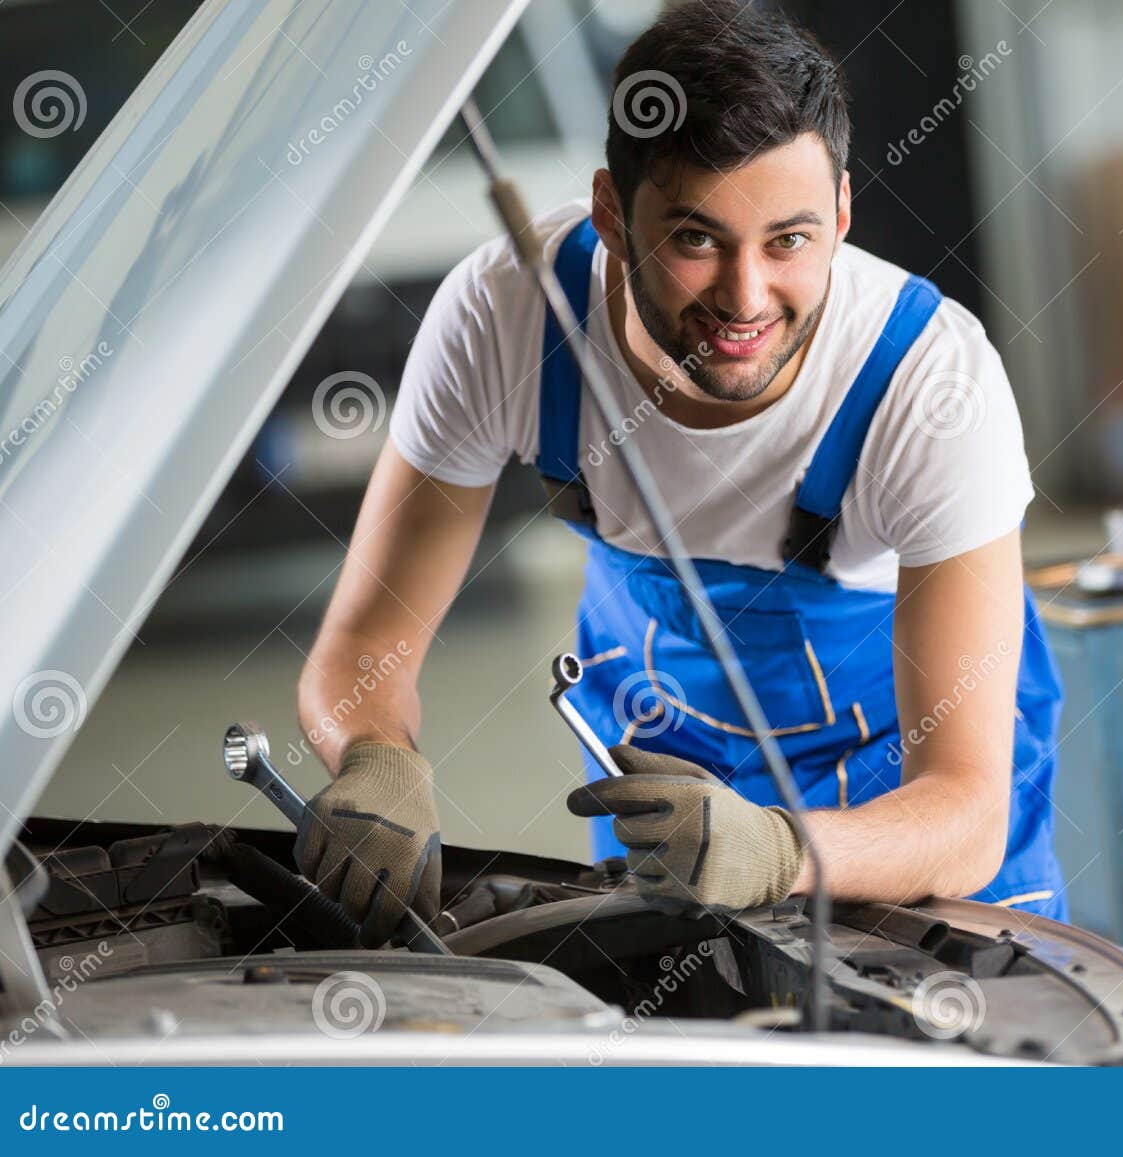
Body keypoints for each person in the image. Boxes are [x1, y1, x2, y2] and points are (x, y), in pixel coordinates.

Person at [294, 0, 1067, 946]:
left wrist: (782, 853)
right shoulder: (510, 316)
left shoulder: (930, 384)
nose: (746, 299)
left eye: (790, 240)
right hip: (679, 805)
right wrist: (373, 758)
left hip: (907, 819)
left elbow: (967, 808)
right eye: (697, 240)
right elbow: (367, 639)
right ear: (613, 216)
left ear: (844, 213)